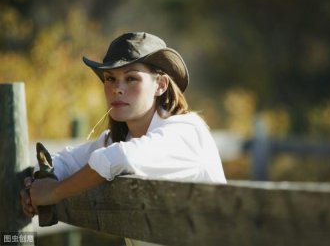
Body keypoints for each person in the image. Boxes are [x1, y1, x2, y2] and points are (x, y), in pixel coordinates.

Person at [20, 32, 226, 220]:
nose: (117, 89)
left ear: (160, 85)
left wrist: (53, 192)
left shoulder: (186, 131)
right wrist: (38, 182)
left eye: (131, 78)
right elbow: (64, 161)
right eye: (110, 79)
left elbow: (120, 158)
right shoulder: (120, 139)